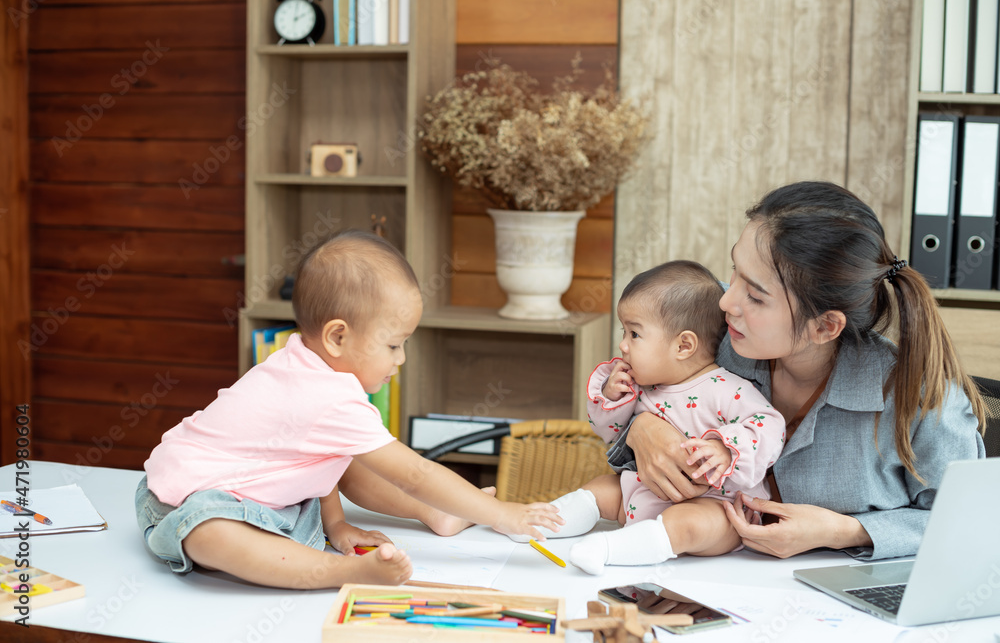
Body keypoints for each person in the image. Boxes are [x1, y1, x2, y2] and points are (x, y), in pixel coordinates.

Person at [135, 230, 562, 589]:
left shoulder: (300, 358)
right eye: (393, 344)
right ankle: (340, 572)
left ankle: (437, 512)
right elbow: (416, 474)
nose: (401, 359)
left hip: (259, 496)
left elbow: (317, 460)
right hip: (184, 503)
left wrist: (336, 524)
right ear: (337, 337)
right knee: (211, 535)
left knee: (354, 459)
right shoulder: (328, 396)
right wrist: (503, 514)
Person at [609, 181, 987, 561]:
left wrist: (841, 531)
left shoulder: (924, 402)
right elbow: (628, 389)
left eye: (755, 296)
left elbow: (968, 525)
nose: (726, 301)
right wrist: (642, 429)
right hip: (694, 573)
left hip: (832, 589)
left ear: (824, 327)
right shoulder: (707, 326)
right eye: (735, 270)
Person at [517, 260, 785, 575]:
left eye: (634, 333)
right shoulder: (641, 387)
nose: (623, 345)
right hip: (644, 493)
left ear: (683, 345)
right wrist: (612, 397)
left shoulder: (729, 389)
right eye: (624, 332)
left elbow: (770, 426)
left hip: (715, 504)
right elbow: (608, 431)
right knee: (603, 488)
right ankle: (539, 524)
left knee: (690, 523)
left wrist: (726, 449)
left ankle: (607, 549)